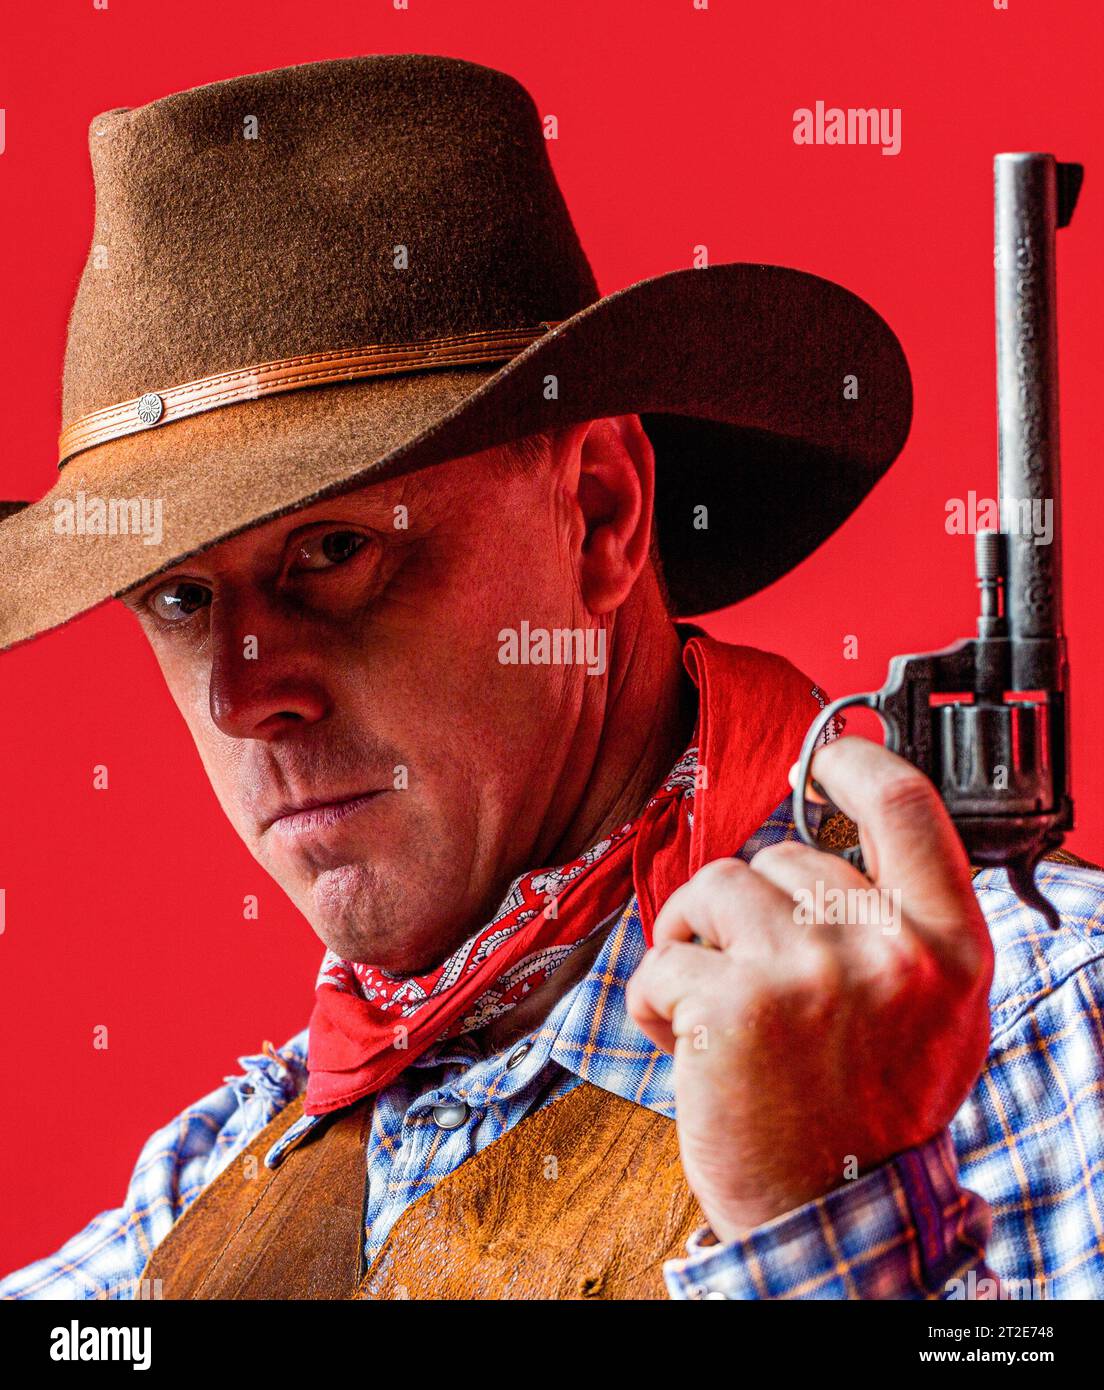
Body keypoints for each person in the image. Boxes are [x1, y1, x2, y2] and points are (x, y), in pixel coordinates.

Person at [2, 54, 1102, 1301]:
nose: (242, 696)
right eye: (183, 600)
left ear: (600, 511)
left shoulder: (1050, 1031)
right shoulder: (205, 1200)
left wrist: (834, 1238)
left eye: (334, 551)